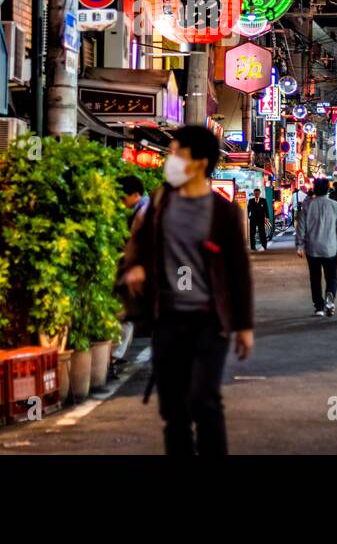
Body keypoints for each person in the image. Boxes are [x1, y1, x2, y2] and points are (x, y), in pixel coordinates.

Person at [120, 126, 255, 455]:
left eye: (177, 152)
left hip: (210, 321)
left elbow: (238, 270)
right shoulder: (162, 201)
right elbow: (137, 247)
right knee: (173, 407)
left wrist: (244, 325)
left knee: (204, 400)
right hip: (168, 318)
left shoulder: (223, 213)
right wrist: (134, 268)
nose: (171, 159)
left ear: (199, 162)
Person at [112, 175, 150, 377]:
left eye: (123, 196)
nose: (121, 201)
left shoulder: (144, 212)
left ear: (135, 194)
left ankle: (115, 356)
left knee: (125, 313)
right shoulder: (142, 209)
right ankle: (116, 355)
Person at [296, 178, 337, 316]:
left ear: (315, 189)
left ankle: (319, 306)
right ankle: (330, 296)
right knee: (332, 276)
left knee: (315, 277)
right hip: (330, 247)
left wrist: (299, 245)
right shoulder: (334, 205)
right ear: (328, 189)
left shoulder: (308, 205)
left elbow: (301, 226)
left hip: (312, 248)